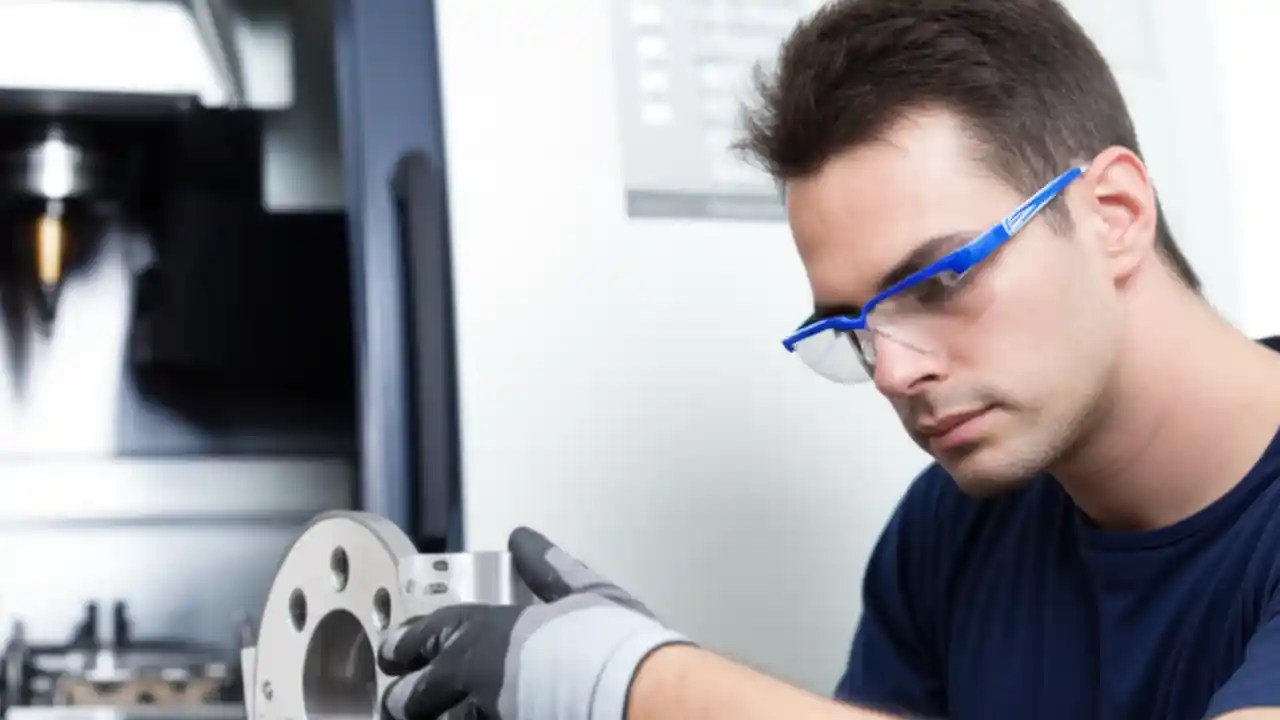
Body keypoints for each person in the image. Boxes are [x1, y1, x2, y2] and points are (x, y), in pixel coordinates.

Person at [375, 0, 1280, 718]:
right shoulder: (951, 532)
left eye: (937, 279)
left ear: (1114, 214)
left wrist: (639, 685)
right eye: (853, 325)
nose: (894, 373)